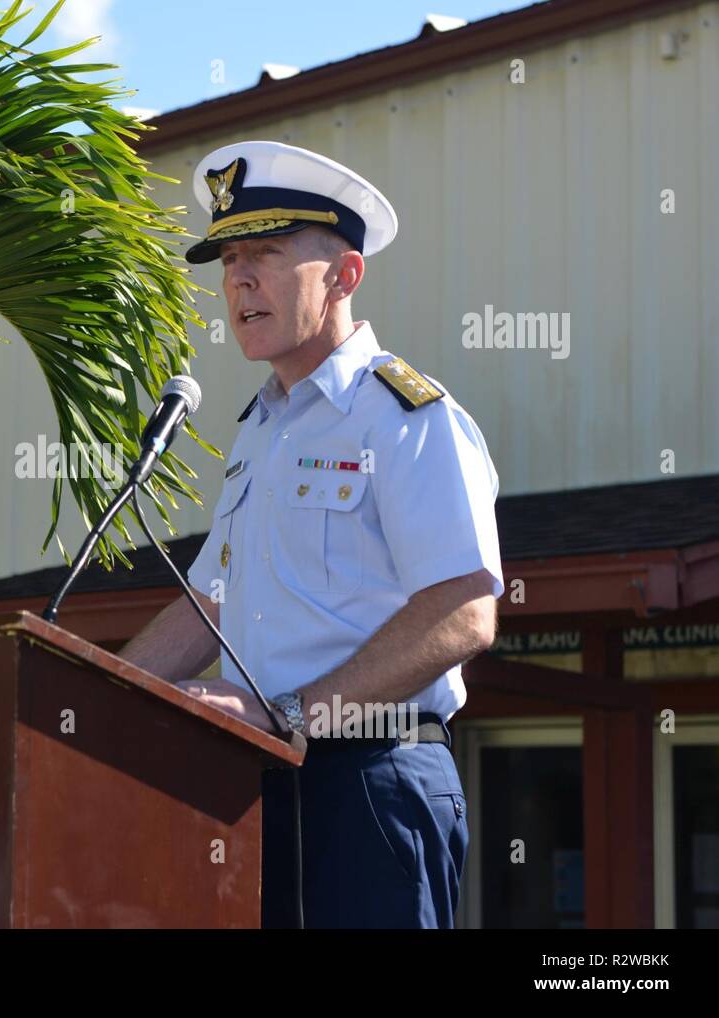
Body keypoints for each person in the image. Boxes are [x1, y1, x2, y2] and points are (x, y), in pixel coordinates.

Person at [119, 141, 503, 928]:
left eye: (265, 253)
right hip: (253, 784)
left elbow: (464, 609)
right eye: (228, 260)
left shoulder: (404, 416)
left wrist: (289, 716)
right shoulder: (261, 430)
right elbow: (212, 605)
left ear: (343, 276)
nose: (238, 280)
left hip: (371, 780)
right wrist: (97, 700)